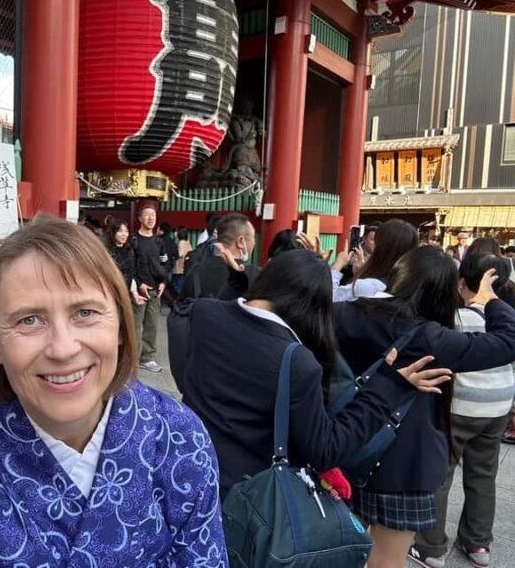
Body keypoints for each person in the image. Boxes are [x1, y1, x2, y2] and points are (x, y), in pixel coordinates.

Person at [0, 215, 226, 566]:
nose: (63, 348)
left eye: (85, 312)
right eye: (29, 320)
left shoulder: (178, 437)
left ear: (120, 324)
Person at [181, 249, 450, 498]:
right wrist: (388, 386)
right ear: (312, 307)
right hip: (245, 497)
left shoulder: (205, 312)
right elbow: (324, 450)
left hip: (185, 469)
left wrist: (238, 283)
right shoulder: (295, 361)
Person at [333, 246, 515, 568]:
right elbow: (508, 341)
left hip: (345, 443)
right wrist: (489, 300)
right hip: (404, 463)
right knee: (386, 561)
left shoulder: (345, 313)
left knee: (340, 549)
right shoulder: (429, 336)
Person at [410, 254, 515, 568]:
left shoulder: (452, 318)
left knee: (442, 473)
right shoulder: (505, 317)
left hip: (459, 407)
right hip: (496, 406)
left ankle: (430, 548)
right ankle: (478, 543)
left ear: (460, 281)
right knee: (484, 474)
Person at [330, 219, 419, 302]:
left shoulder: (369, 286)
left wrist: (337, 266)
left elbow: (328, 298)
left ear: (382, 247)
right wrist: (360, 273)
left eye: (376, 241)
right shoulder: (415, 286)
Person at [132, 206, 168, 372]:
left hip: (155, 289)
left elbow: (165, 263)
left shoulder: (159, 242)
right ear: (140, 218)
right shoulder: (134, 241)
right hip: (138, 289)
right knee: (134, 326)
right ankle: (130, 359)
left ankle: (147, 358)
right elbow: (130, 266)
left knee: (152, 325)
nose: (150, 218)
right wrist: (139, 284)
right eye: (146, 215)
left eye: (153, 215)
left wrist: (163, 282)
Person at [105, 219, 145, 307]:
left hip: (125, 294)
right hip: (109, 294)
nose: (124, 234)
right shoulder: (106, 252)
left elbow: (131, 275)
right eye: (120, 231)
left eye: (126, 231)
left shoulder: (129, 251)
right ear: (113, 233)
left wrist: (135, 294)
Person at [172, 226, 192, 296]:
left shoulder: (181, 242)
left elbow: (180, 254)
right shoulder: (187, 242)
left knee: (176, 283)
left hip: (179, 268)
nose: (175, 233)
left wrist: (173, 255)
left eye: (176, 231)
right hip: (185, 267)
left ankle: (182, 299)